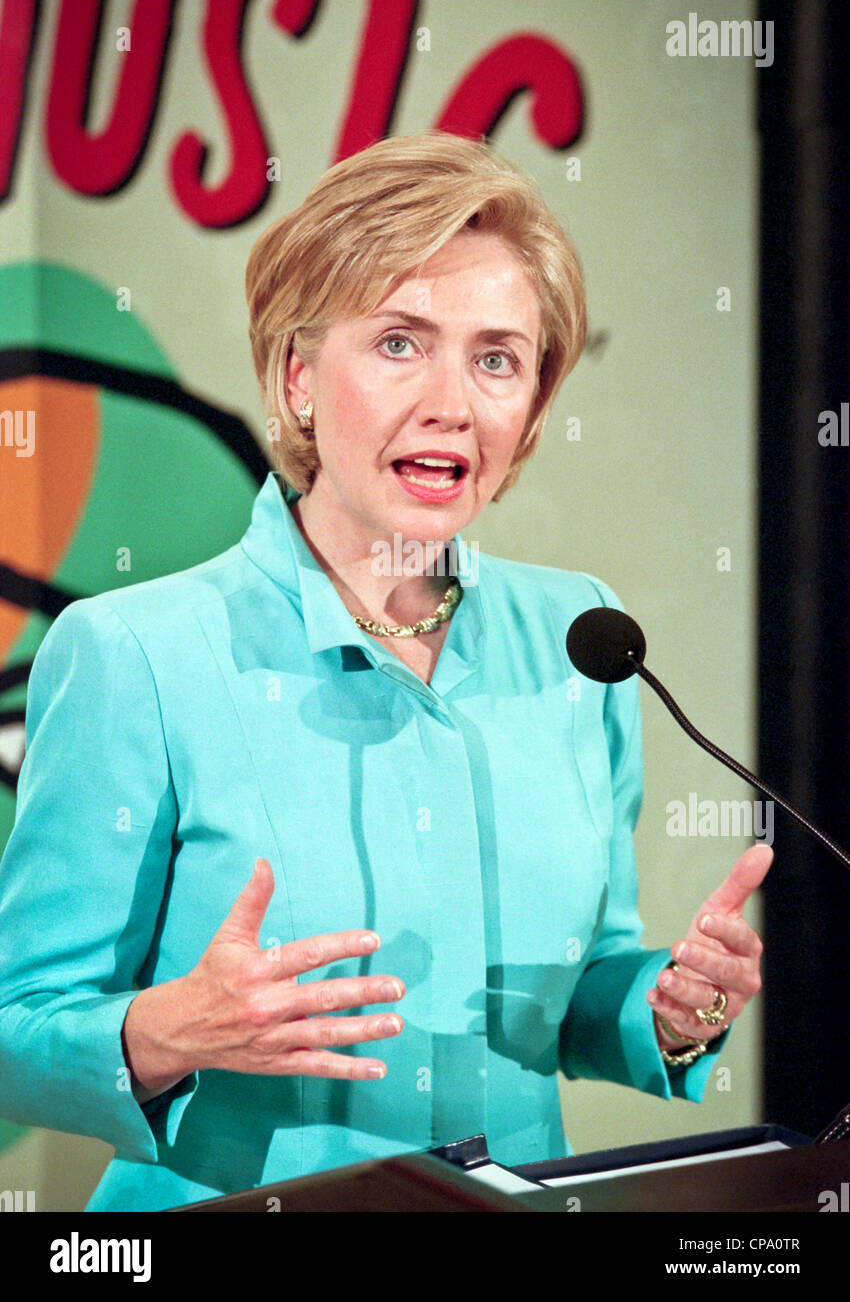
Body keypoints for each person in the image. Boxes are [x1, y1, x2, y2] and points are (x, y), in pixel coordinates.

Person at [0, 131, 770, 1212]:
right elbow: (14, 1029)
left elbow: (576, 989)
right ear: (299, 376)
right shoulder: (137, 653)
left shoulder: (581, 635)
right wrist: (168, 1028)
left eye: (497, 357)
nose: (453, 400)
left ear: (534, 405)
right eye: (402, 342)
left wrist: (663, 1005)